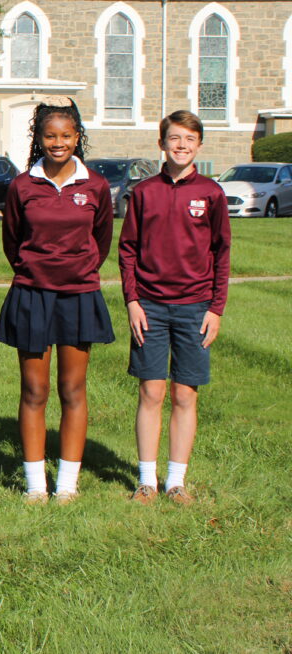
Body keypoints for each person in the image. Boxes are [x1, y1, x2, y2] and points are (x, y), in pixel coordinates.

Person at [0, 100, 114, 505]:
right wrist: (36, 271)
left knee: (72, 388)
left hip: (79, 296)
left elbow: (101, 243)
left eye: (66, 135)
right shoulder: (22, 186)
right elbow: (13, 241)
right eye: (50, 136)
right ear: (39, 139)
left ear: (78, 138)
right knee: (34, 389)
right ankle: (35, 486)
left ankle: (66, 485)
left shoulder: (95, 185)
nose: (58, 143)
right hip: (32, 294)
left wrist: (74, 271)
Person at [119, 111, 230, 506]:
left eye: (188, 139)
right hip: (149, 305)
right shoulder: (145, 192)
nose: (181, 145)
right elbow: (128, 249)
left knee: (185, 394)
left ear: (199, 144)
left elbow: (221, 253)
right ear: (161, 143)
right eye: (173, 138)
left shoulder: (211, 194)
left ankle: (176, 481)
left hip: (195, 308)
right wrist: (132, 300)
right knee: (151, 391)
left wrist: (215, 308)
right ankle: (146, 481)